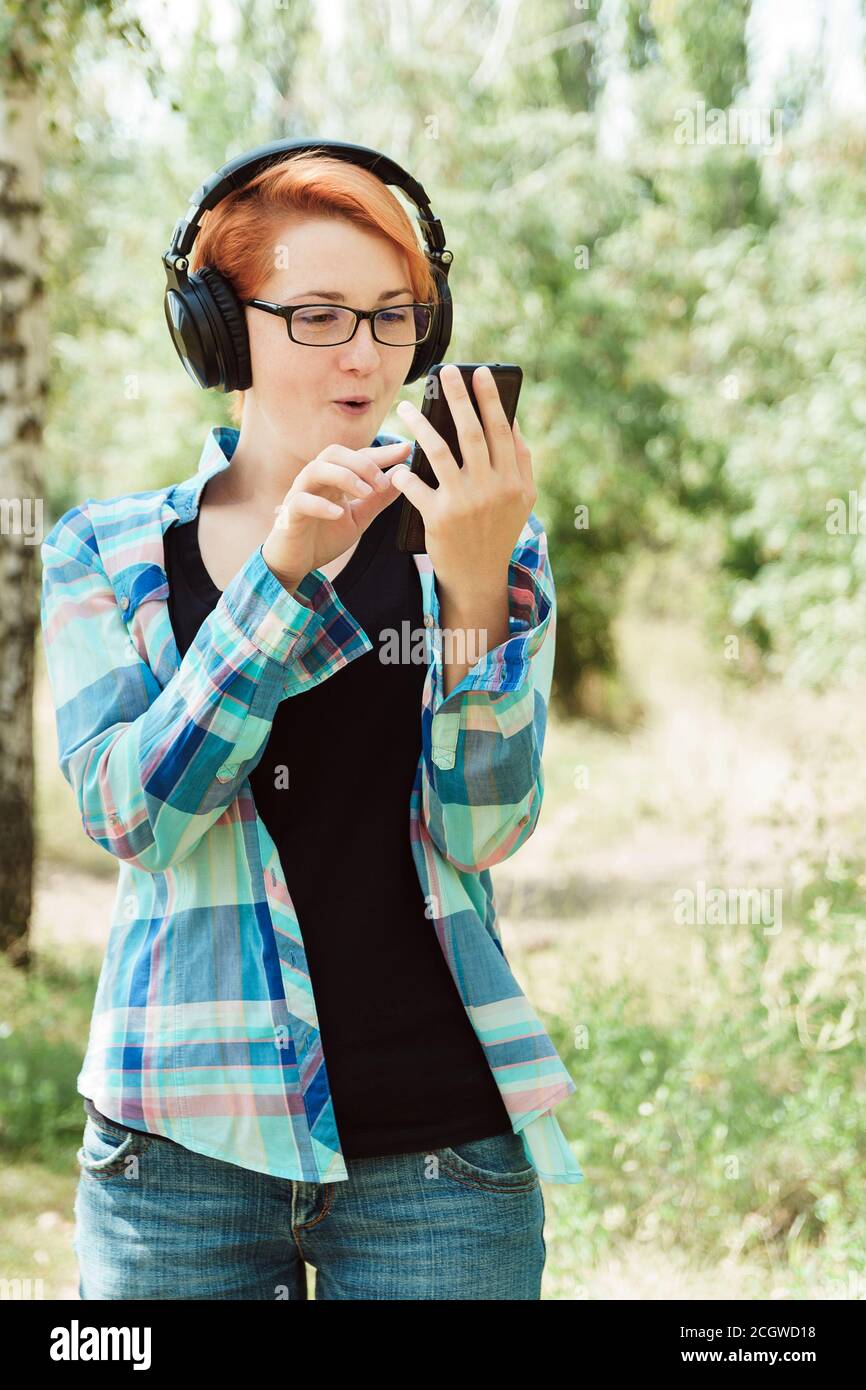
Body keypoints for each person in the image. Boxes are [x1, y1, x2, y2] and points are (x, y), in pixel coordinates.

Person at [39, 150, 583, 1302]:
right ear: (216, 333)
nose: (364, 354)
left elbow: (483, 830)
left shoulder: (479, 538)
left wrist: (472, 592)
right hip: (173, 1156)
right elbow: (135, 818)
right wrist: (278, 577)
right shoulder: (110, 552)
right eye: (318, 314)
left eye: (392, 316)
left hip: (437, 1157)